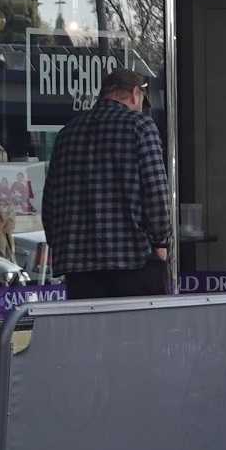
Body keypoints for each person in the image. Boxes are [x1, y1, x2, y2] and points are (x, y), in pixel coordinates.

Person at [41, 67, 171, 300]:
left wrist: (60, 246)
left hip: (78, 269)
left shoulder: (67, 134)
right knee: (141, 334)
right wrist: (161, 242)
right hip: (133, 261)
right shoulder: (140, 126)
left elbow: (50, 203)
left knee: (90, 335)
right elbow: (156, 193)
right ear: (134, 94)